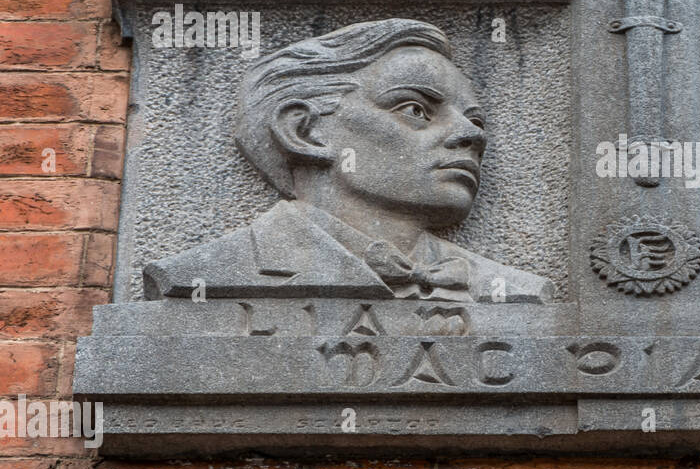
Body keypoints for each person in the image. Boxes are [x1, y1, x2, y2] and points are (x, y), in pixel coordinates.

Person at [144, 18, 554, 303]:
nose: (472, 135)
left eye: (474, 119)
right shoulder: (199, 275)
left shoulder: (513, 289)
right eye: (416, 109)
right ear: (303, 131)